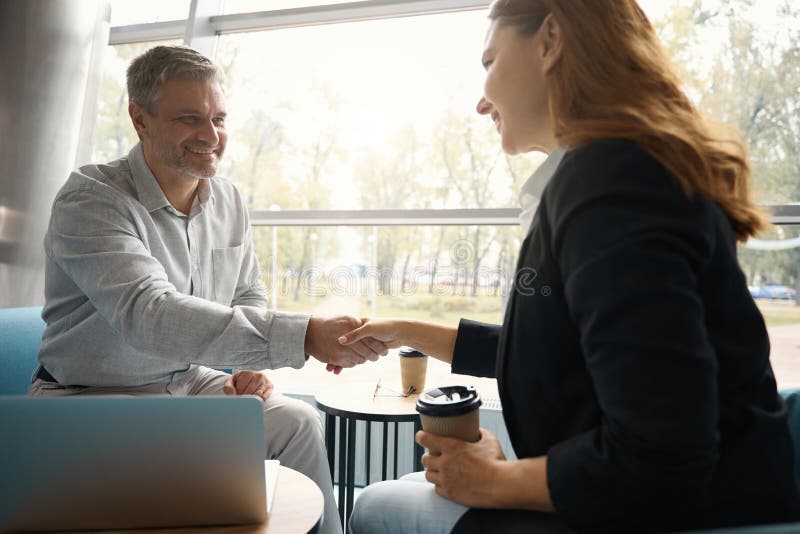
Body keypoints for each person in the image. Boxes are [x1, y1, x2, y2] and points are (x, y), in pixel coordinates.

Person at [341, 1, 800, 532]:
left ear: (551, 39)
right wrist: (405, 329)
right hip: (709, 491)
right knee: (407, 490)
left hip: (686, 515)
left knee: (378, 506)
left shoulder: (609, 182)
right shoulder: (619, 172)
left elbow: (660, 458)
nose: (480, 101)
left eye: (489, 62)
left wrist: (488, 479)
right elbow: (555, 351)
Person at [30, 45, 387, 534]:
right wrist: (303, 336)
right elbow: (150, 313)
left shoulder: (229, 199)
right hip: (90, 396)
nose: (210, 135)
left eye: (219, 118)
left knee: (298, 422)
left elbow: (248, 293)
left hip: (188, 382)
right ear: (140, 119)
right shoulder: (92, 199)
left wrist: (246, 366)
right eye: (188, 119)